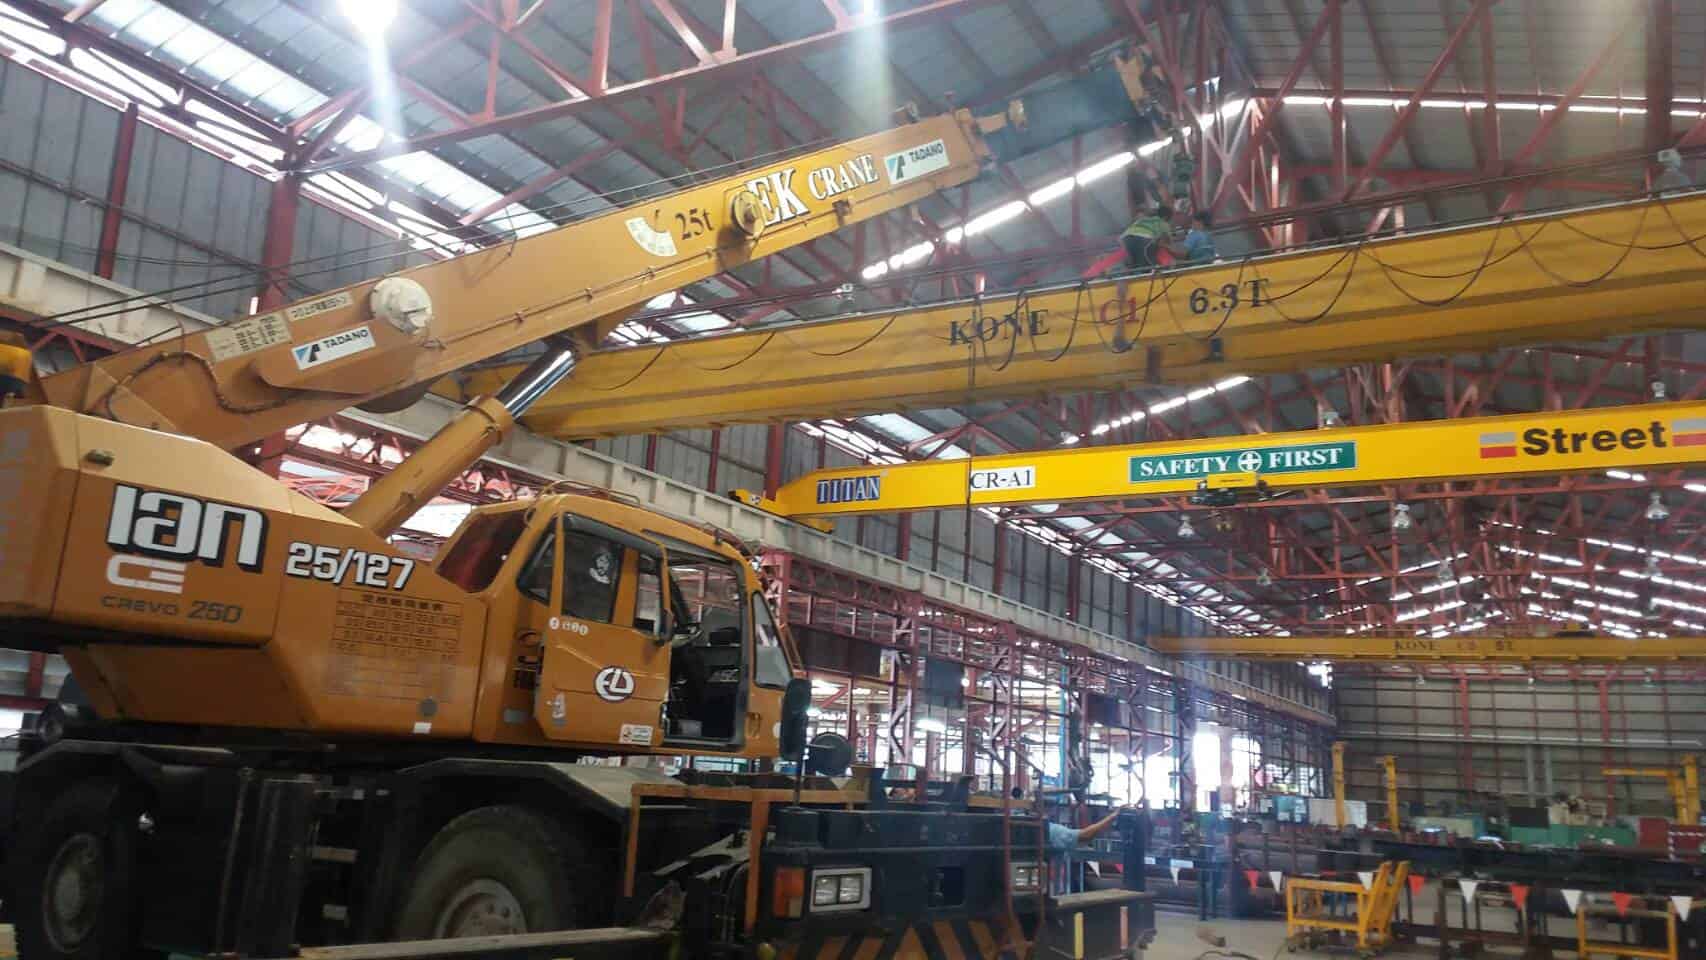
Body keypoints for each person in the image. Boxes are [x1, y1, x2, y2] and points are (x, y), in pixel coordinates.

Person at [1044, 806, 1128, 852]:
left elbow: (1085, 838)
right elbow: (1085, 836)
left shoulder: (1049, 828)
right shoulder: (1051, 830)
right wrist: (1112, 816)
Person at [1121, 204, 1174, 270]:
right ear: (1166, 217)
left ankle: (1130, 270)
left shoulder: (1145, 219)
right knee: (1149, 256)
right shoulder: (1162, 222)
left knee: (1133, 260)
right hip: (1143, 237)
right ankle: (1157, 269)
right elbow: (1168, 240)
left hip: (1126, 237)